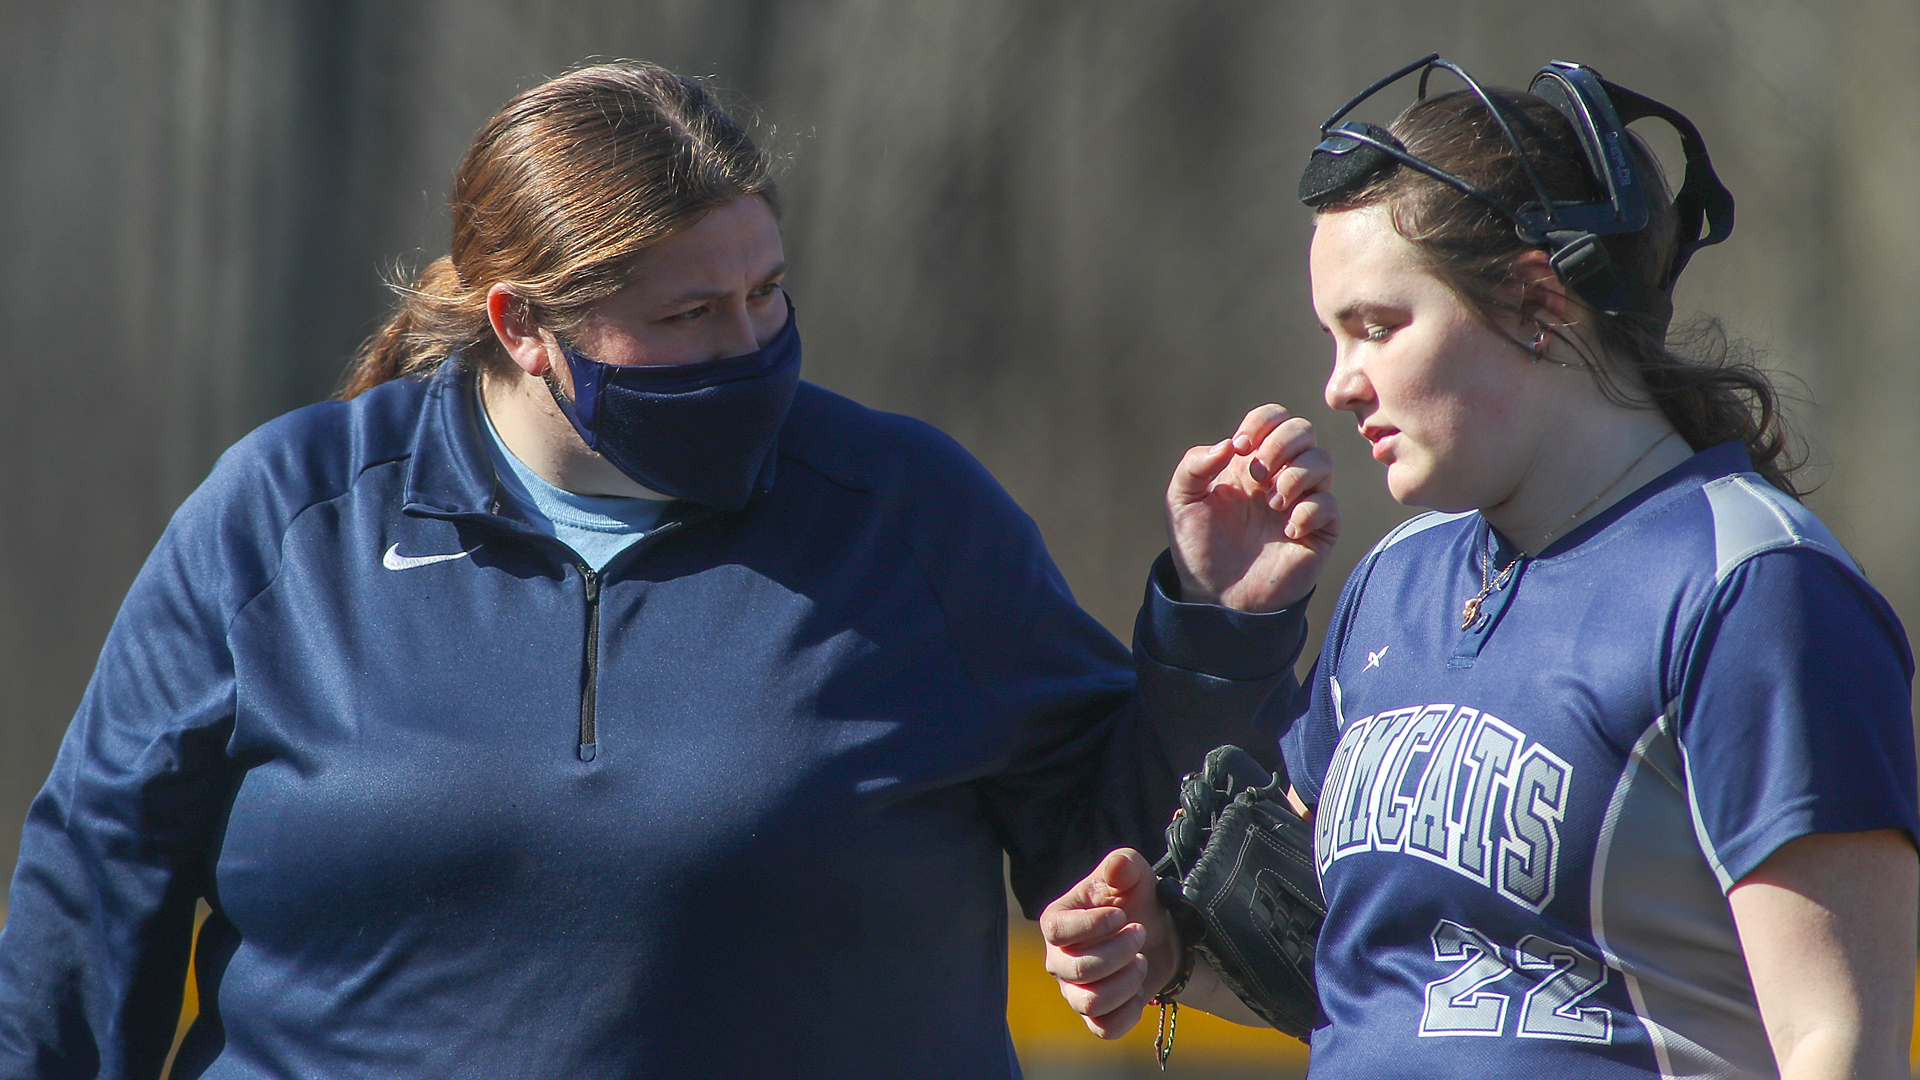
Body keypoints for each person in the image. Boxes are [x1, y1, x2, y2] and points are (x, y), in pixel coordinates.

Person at [0, 62, 1337, 1077]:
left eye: (766, 294)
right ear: (526, 327)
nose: (749, 345)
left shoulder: (906, 513)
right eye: (688, 314)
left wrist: (1216, 627)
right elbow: (91, 884)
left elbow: (1115, 855)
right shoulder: (285, 518)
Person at [1042, 56, 1919, 1079]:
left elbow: (1839, 1041)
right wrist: (1163, 939)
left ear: (1536, 303)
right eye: (1332, 335)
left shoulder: (1748, 588)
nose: (1338, 384)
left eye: (1377, 326)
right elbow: (1356, 977)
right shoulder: (1395, 584)